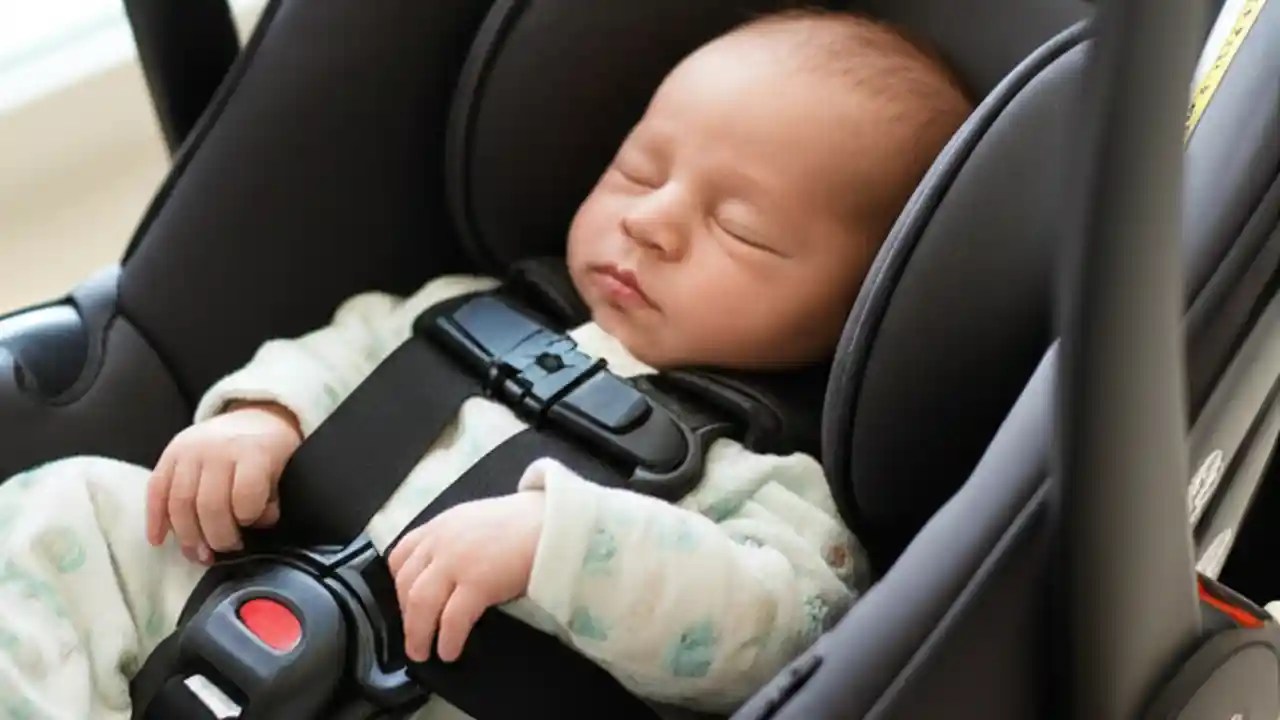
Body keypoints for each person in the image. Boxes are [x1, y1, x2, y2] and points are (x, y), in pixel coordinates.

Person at [0, 9, 972, 719]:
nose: (651, 219)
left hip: (450, 691)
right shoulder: (467, 310)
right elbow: (340, 355)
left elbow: (774, 627)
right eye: (638, 168)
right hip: (241, 585)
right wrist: (260, 421)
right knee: (73, 505)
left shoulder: (770, 482)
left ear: (854, 308)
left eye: (739, 229)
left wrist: (560, 547)